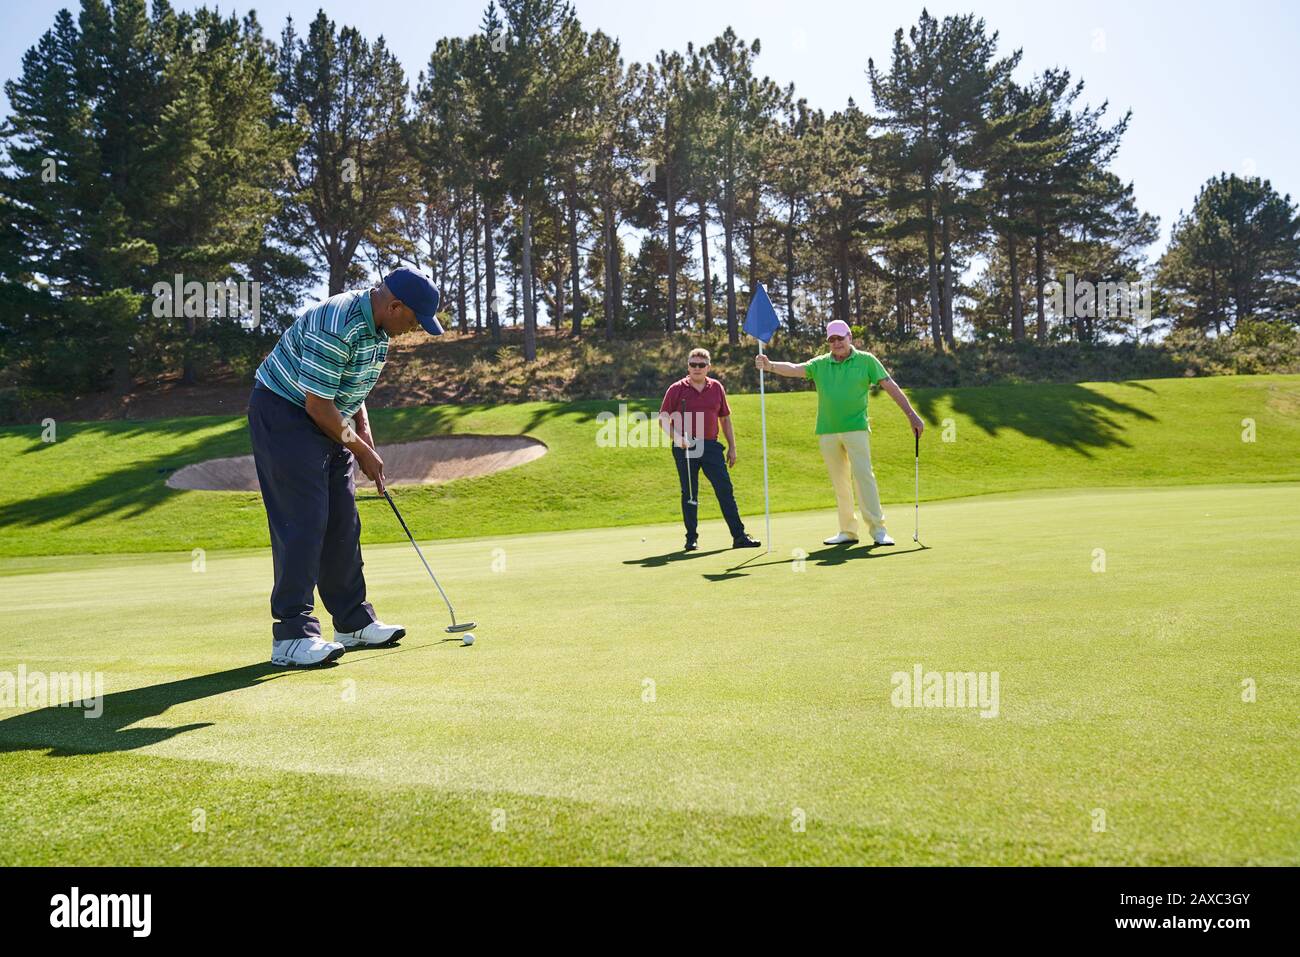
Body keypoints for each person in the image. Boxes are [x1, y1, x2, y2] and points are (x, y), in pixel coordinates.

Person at [248, 267, 443, 667]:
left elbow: (351, 389)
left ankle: (353, 621)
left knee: (343, 522)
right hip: (284, 413)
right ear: (395, 306)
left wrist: (364, 437)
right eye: (414, 320)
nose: (414, 329)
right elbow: (317, 405)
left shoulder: (379, 333)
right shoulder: (337, 324)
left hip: (329, 416)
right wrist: (362, 452)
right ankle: (292, 635)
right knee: (303, 519)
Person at [755, 319, 924, 546]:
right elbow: (795, 369)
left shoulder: (866, 361)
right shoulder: (821, 364)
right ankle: (847, 531)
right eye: (832, 339)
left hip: (856, 429)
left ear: (849, 337)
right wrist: (770, 366)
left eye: (840, 338)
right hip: (827, 431)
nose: (836, 343)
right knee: (840, 483)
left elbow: (890, 386)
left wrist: (912, 415)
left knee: (864, 478)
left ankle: (878, 531)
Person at [658, 348, 762, 552]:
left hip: (711, 447)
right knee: (690, 493)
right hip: (685, 447)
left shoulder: (716, 388)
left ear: (708, 367)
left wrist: (732, 447)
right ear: (688, 366)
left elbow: (725, 418)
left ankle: (739, 537)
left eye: (701, 365)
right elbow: (663, 418)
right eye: (693, 364)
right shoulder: (676, 389)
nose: (697, 368)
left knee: (725, 489)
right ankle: (691, 539)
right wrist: (677, 438)